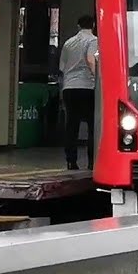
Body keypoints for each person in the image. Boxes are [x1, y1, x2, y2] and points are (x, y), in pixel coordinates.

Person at [58, 14, 98, 170]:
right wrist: (97, 77)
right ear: (93, 25)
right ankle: (91, 162)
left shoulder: (69, 43)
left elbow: (62, 67)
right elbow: (90, 59)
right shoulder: (93, 41)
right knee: (92, 126)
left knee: (71, 126)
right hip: (87, 87)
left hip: (69, 88)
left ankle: (71, 161)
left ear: (78, 26)